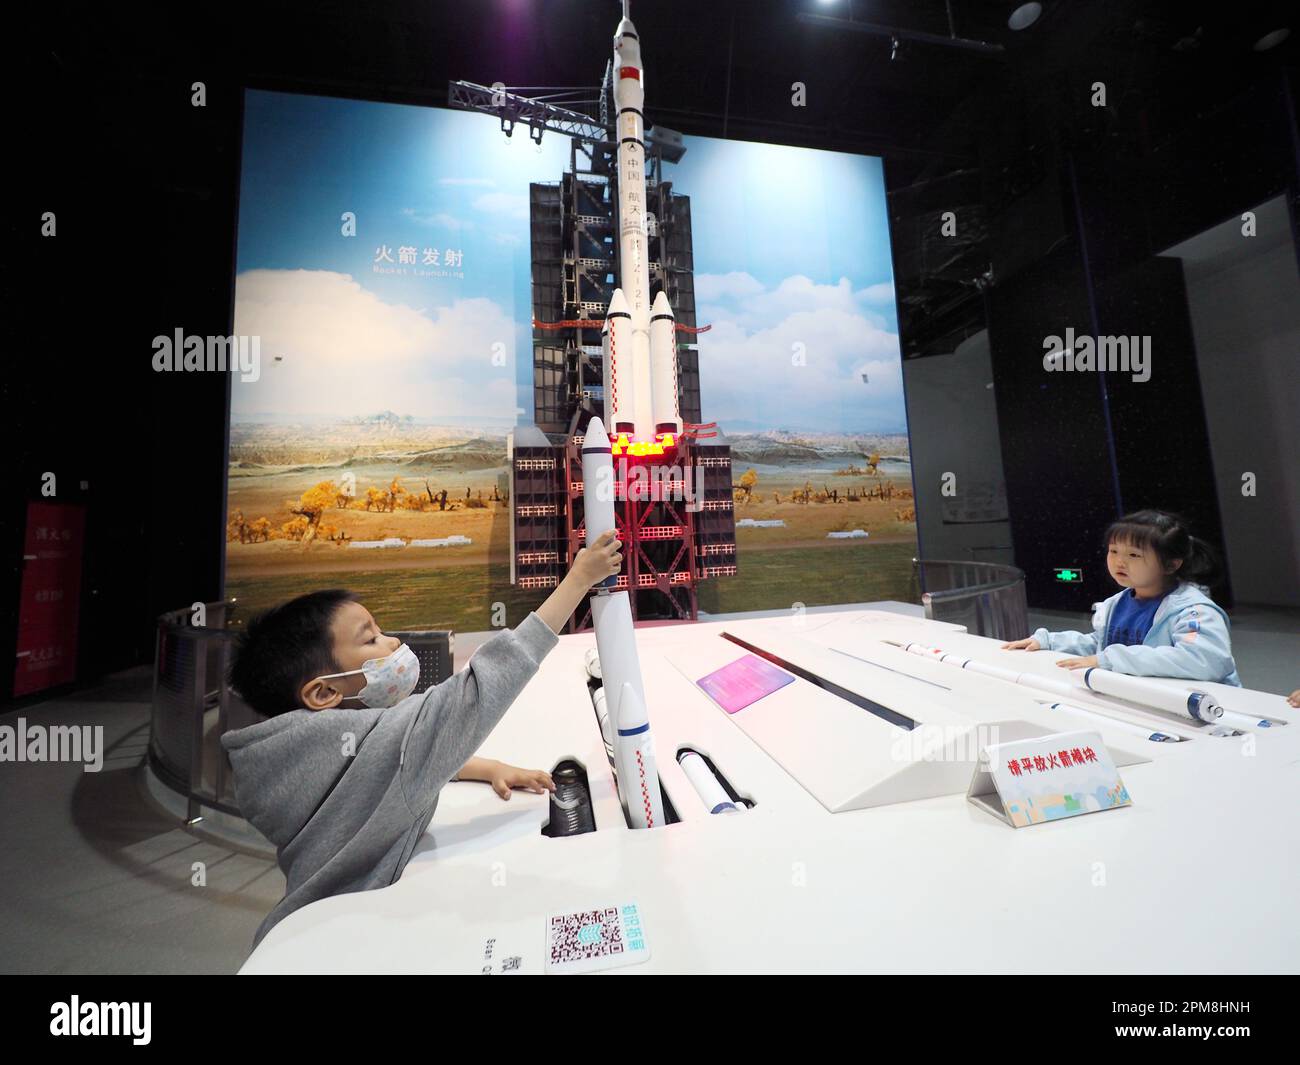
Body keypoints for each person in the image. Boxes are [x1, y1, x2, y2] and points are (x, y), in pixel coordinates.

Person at [222, 529, 623, 948]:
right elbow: (479, 690)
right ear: (323, 692)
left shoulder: (287, 753)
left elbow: (380, 773)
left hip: (302, 938)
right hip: (359, 941)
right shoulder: (384, 744)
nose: (392, 642)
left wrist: (485, 768)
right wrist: (578, 580)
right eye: (370, 638)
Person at [1001, 510, 1241, 686]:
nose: (1119, 561)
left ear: (1170, 564)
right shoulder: (1117, 603)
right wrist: (1050, 642)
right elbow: (1101, 644)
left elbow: (1203, 659)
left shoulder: (1194, 612)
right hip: (1142, 699)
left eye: (1134, 554)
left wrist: (1110, 660)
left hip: (1201, 711)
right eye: (1114, 551)